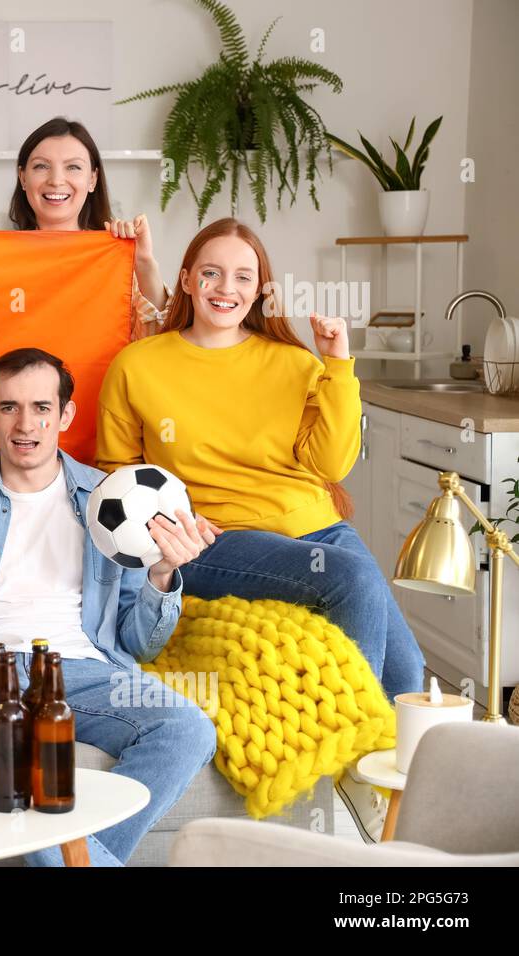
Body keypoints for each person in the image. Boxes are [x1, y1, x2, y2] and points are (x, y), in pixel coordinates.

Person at [94, 216, 427, 840]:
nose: (227, 287)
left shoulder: (294, 361)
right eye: (212, 272)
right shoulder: (138, 365)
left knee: (410, 676)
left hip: (317, 530)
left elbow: (330, 465)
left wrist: (338, 362)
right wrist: (172, 527)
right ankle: (350, 774)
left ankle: (396, 832)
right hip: (218, 540)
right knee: (354, 578)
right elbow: (115, 476)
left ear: (260, 289)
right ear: (187, 280)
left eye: (244, 275)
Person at [0, 347, 217, 866]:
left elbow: (140, 642)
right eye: (9, 407)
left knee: (188, 728)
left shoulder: (115, 497)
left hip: (83, 667)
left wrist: (162, 576)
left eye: (42, 408)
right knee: (4, 773)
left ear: (65, 415)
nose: (26, 425)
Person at [0, 116, 168, 340]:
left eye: (73, 167)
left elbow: (160, 341)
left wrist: (144, 263)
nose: (56, 179)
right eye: (41, 166)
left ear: (92, 179)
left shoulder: (117, 264)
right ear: (23, 177)